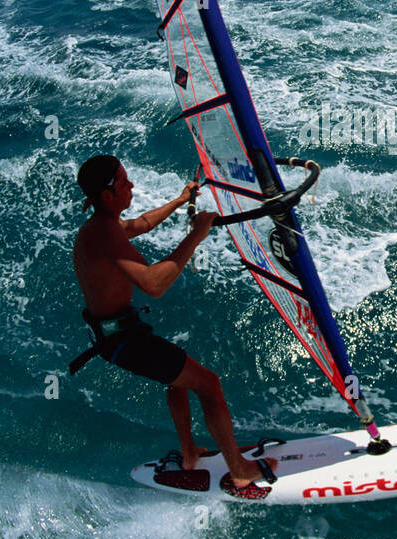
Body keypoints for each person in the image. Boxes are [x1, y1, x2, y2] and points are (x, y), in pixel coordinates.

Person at [70, 154, 276, 492]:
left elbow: (143, 223)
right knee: (209, 384)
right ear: (106, 195)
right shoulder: (103, 235)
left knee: (178, 379)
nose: (131, 185)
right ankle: (239, 470)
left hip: (121, 333)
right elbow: (154, 284)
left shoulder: (105, 225)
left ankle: (190, 453)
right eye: (123, 182)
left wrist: (181, 200)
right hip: (122, 342)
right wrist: (197, 234)